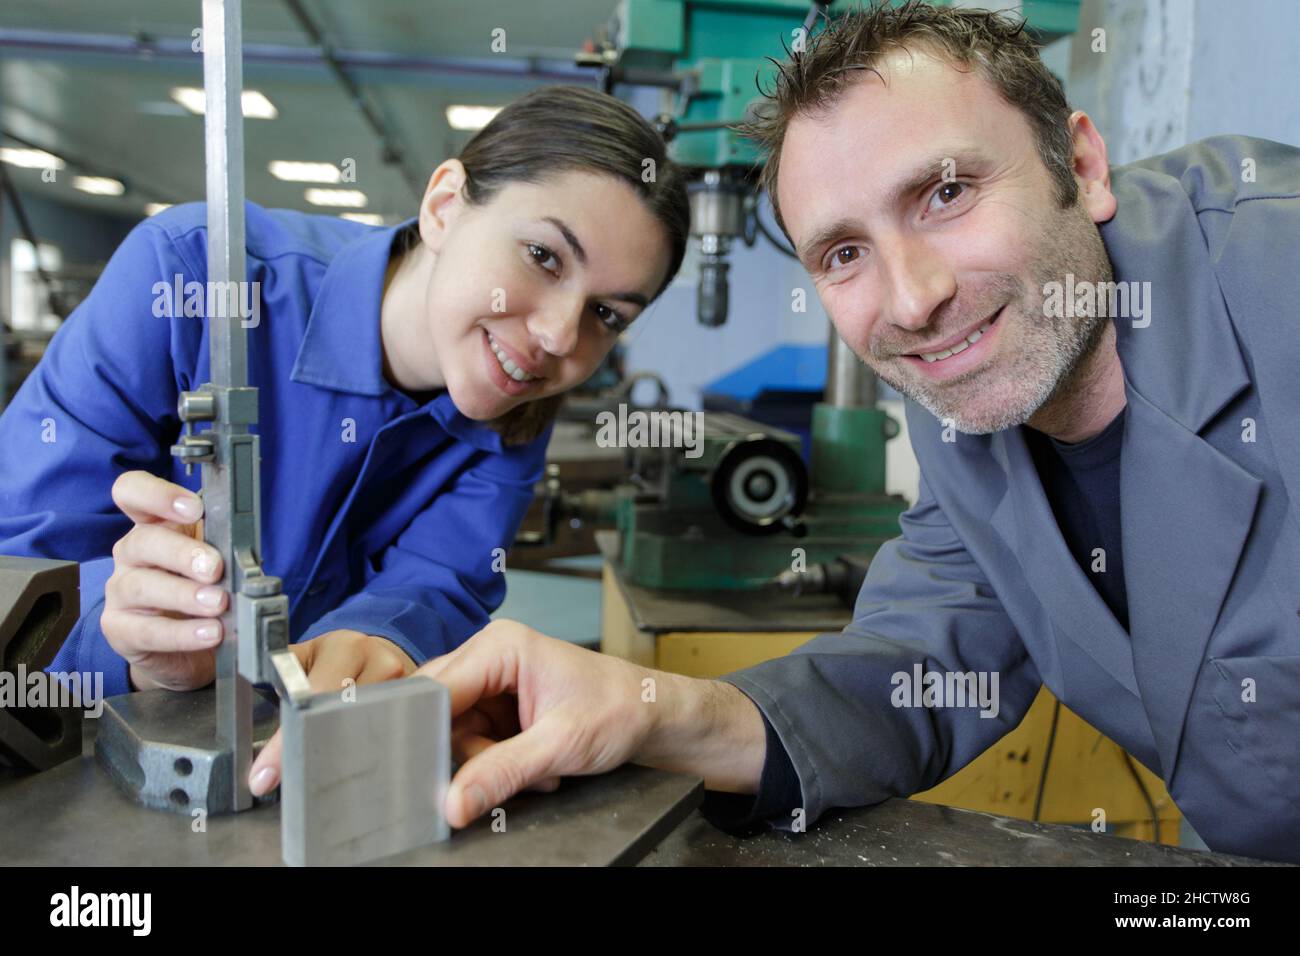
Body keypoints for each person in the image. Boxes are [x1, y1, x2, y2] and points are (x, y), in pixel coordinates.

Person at [291, 2, 1297, 863]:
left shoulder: (1276, 271)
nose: (912, 299)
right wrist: (648, 705)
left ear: (1079, 164)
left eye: (946, 193)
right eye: (844, 251)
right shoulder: (968, 400)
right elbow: (911, 669)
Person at [0, 85, 688, 795]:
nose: (557, 337)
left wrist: (380, 641)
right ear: (445, 205)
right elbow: (12, 572)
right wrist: (131, 644)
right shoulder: (192, 273)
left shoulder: (515, 410)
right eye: (543, 256)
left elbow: (440, 581)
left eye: (606, 312)